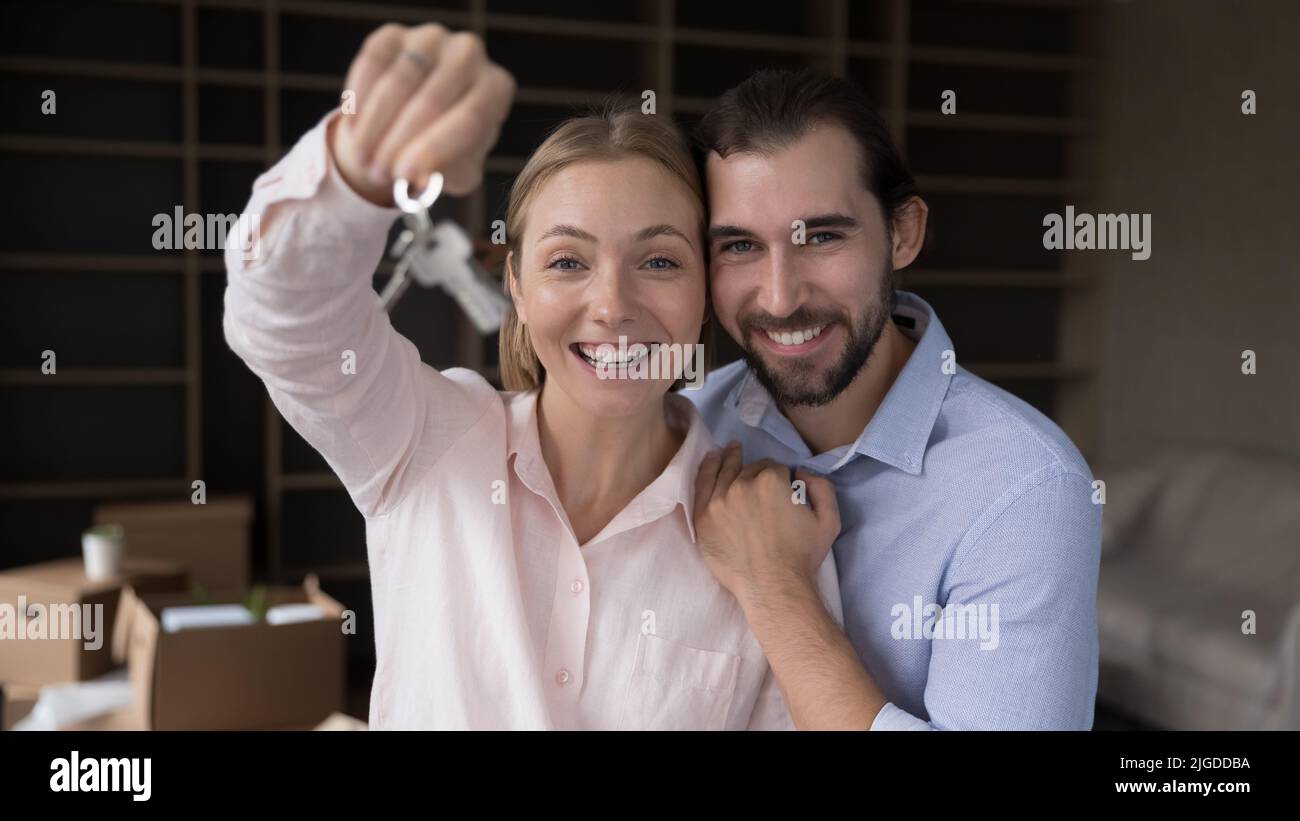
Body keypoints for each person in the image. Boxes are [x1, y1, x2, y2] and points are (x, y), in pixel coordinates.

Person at [222, 24, 839, 729]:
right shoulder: (425, 439)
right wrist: (355, 171)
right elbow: (282, 321)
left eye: (660, 261)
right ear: (516, 282)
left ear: (706, 285)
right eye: (567, 262)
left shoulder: (766, 537)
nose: (612, 307)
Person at [687, 69, 1103, 730]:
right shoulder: (682, 427)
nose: (780, 296)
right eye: (739, 246)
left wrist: (777, 590)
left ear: (903, 234)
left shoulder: (1027, 486)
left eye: (821, 237)